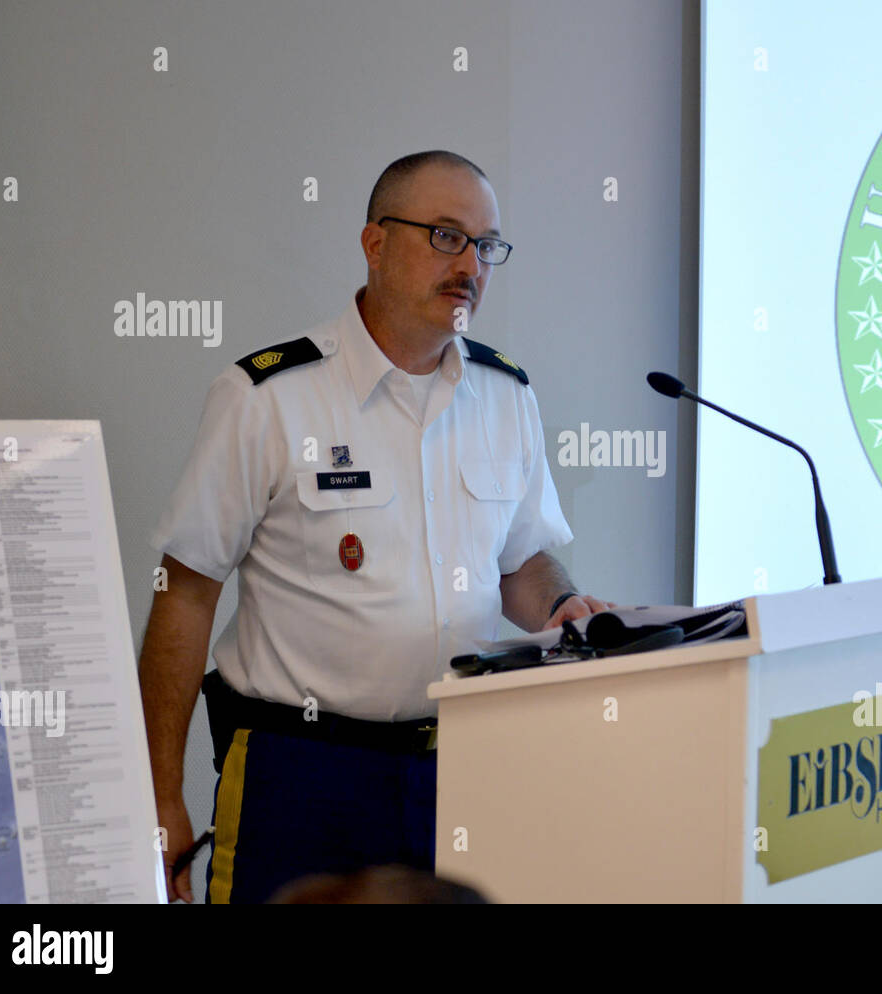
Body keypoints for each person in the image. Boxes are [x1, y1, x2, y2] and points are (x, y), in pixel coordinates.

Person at [138, 150, 609, 904]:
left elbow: (522, 562)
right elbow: (185, 596)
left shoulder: (505, 394)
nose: (472, 267)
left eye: (487, 246)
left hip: (460, 770)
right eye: (447, 237)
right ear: (376, 243)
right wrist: (159, 799)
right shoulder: (268, 397)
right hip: (300, 775)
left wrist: (563, 607)